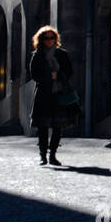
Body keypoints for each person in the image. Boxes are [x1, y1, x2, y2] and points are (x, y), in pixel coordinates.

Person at [29, 25, 79, 165]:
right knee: (43, 127)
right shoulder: (37, 55)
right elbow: (34, 74)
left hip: (59, 93)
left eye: (52, 37)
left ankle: (53, 155)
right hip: (43, 95)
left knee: (58, 127)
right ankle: (43, 156)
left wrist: (58, 76)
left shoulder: (62, 54)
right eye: (46, 38)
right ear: (41, 39)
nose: (49, 40)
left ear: (55, 39)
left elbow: (69, 71)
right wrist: (48, 76)